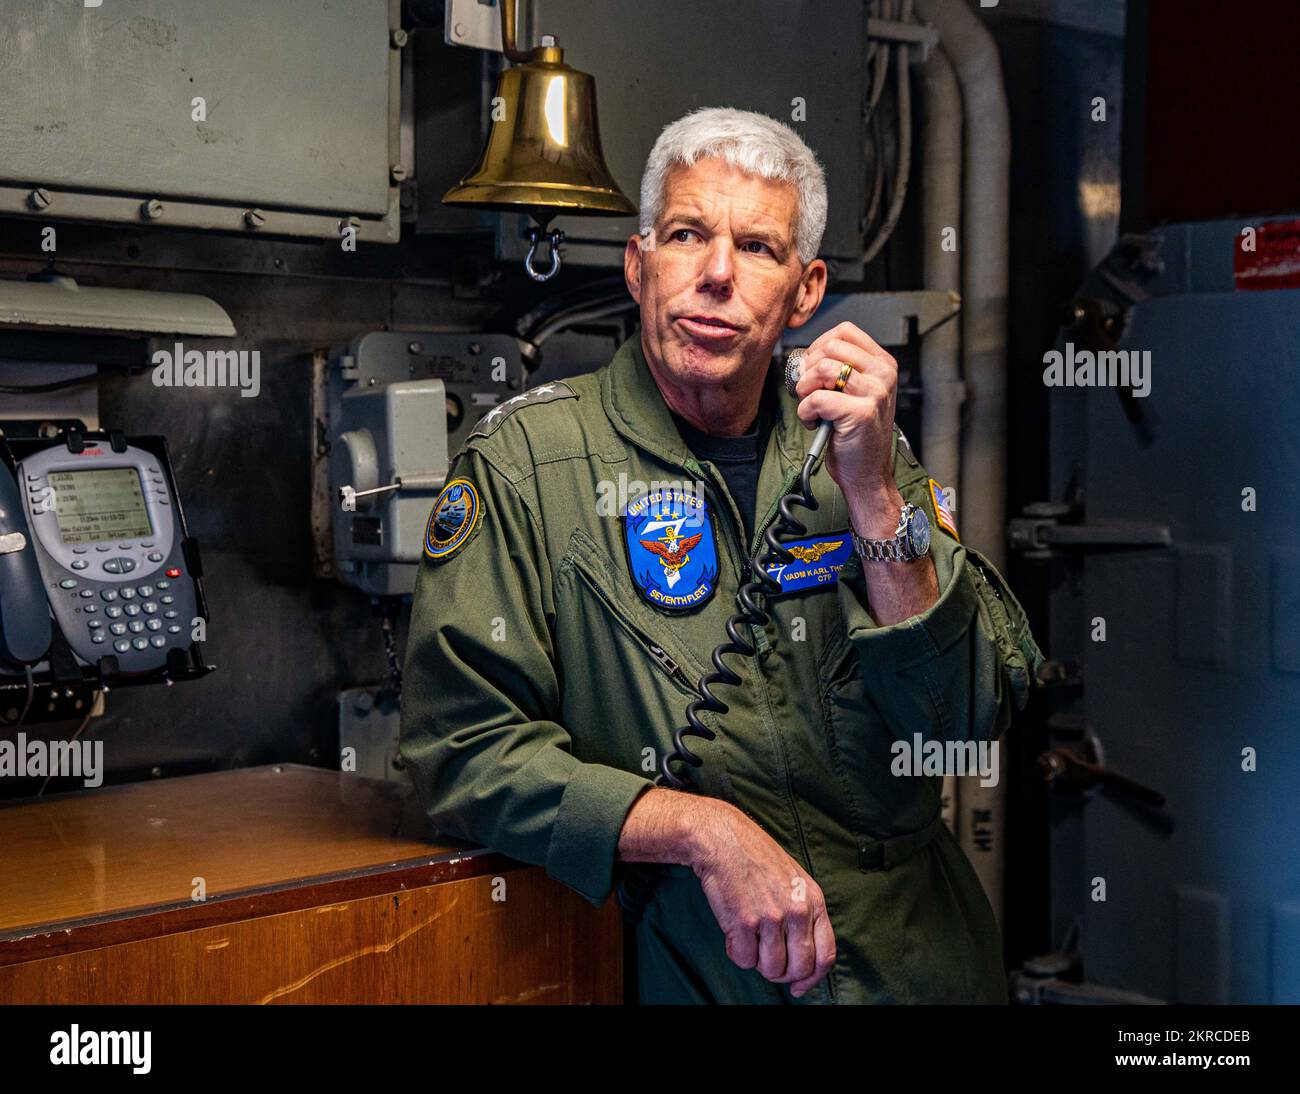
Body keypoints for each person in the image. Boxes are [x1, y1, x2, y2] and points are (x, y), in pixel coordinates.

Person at [400, 106, 1043, 1004]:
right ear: (638, 264)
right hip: (703, 968)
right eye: (687, 234)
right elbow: (460, 753)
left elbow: (963, 721)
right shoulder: (527, 468)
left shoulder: (863, 450)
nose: (714, 275)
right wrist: (697, 829)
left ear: (806, 291)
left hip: (919, 965)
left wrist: (873, 496)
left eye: (758, 248)